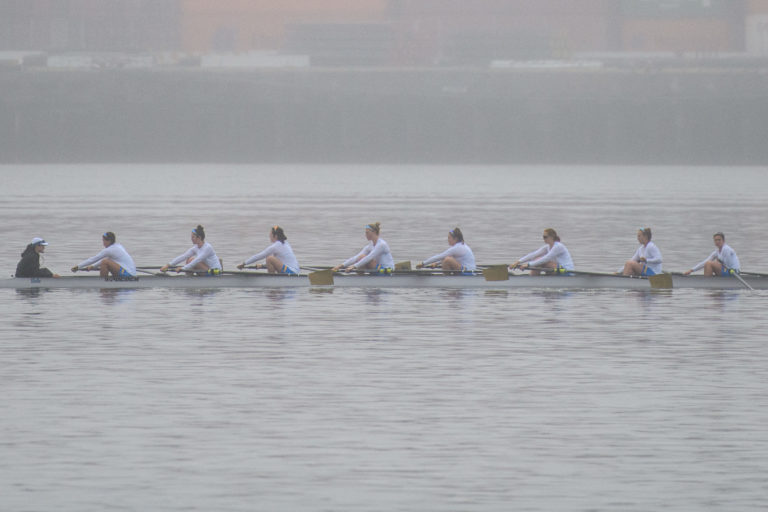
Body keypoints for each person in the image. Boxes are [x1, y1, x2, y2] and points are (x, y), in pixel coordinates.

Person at [71, 231, 137, 279]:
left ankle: (103, 282)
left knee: (105, 262)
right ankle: (105, 281)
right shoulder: (119, 246)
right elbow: (108, 259)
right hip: (131, 272)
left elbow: (93, 259)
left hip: (128, 275)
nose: (103, 243)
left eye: (104, 241)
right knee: (105, 261)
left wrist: (78, 266)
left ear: (109, 241)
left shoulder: (109, 250)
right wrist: (93, 266)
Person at [510, 228, 575, 276]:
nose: (543, 239)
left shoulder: (558, 246)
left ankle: (532, 280)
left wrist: (528, 265)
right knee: (536, 259)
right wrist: (517, 262)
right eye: (543, 237)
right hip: (557, 270)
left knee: (542, 261)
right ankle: (533, 278)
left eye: (545, 237)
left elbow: (546, 258)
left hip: (566, 271)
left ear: (552, 237)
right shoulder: (547, 247)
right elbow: (533, 254)